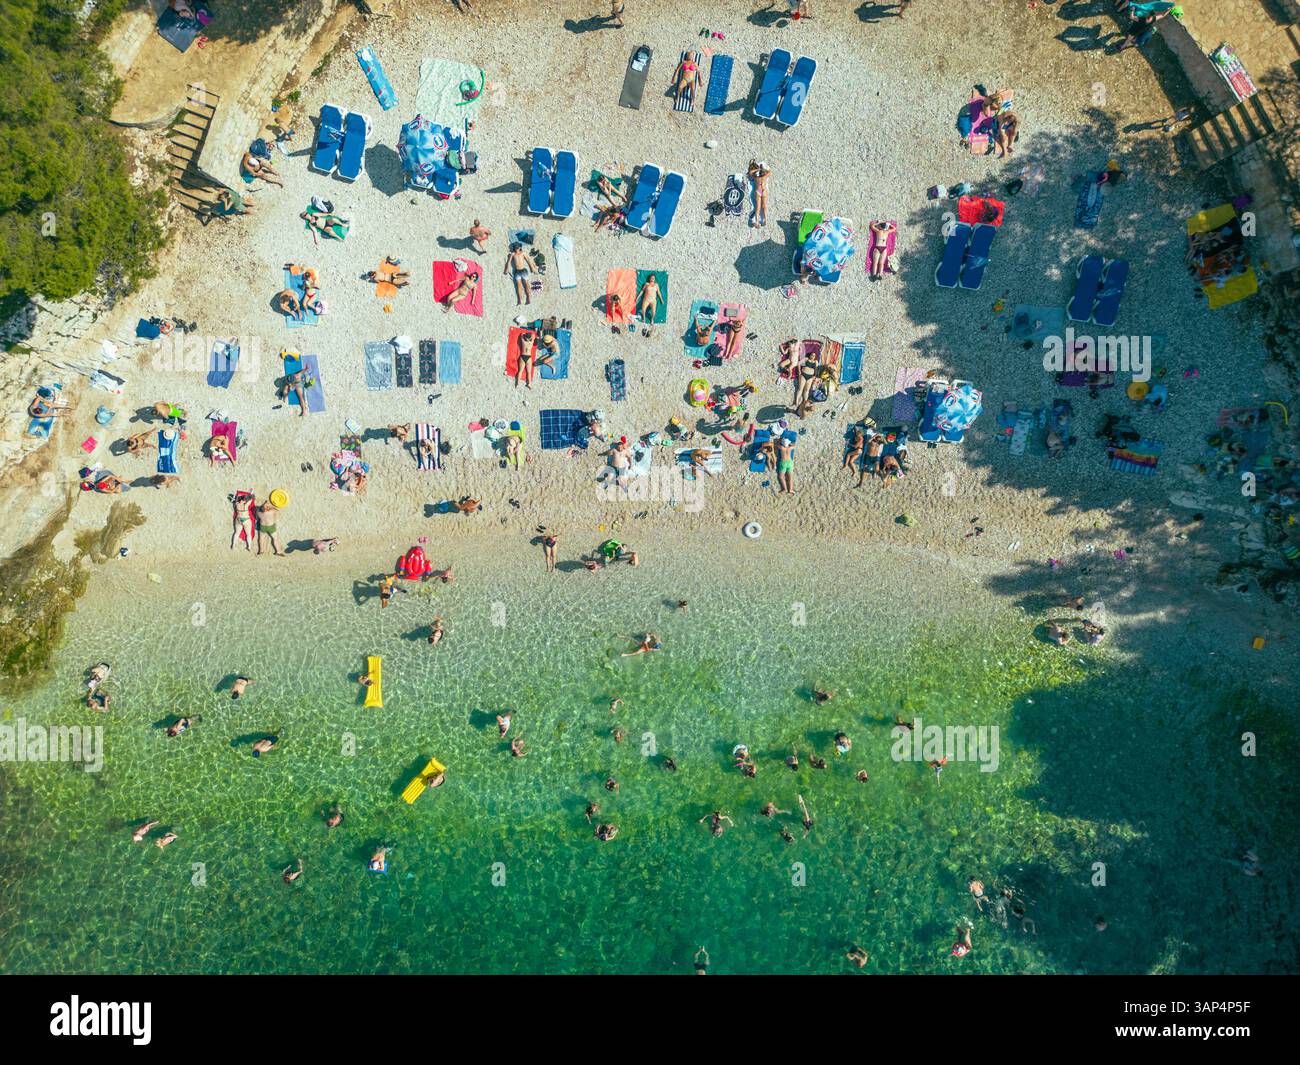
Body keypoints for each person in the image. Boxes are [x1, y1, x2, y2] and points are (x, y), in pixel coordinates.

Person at [748, 161, 770, 228]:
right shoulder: (765, 177)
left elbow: (750, 173)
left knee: (758, 207)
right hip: (763, 191)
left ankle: (759, 221)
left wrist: (758, 169)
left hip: (758, 191)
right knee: (763, 206)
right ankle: (763, 220)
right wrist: (760, 169)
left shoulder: (756, 178)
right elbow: (770, 172)